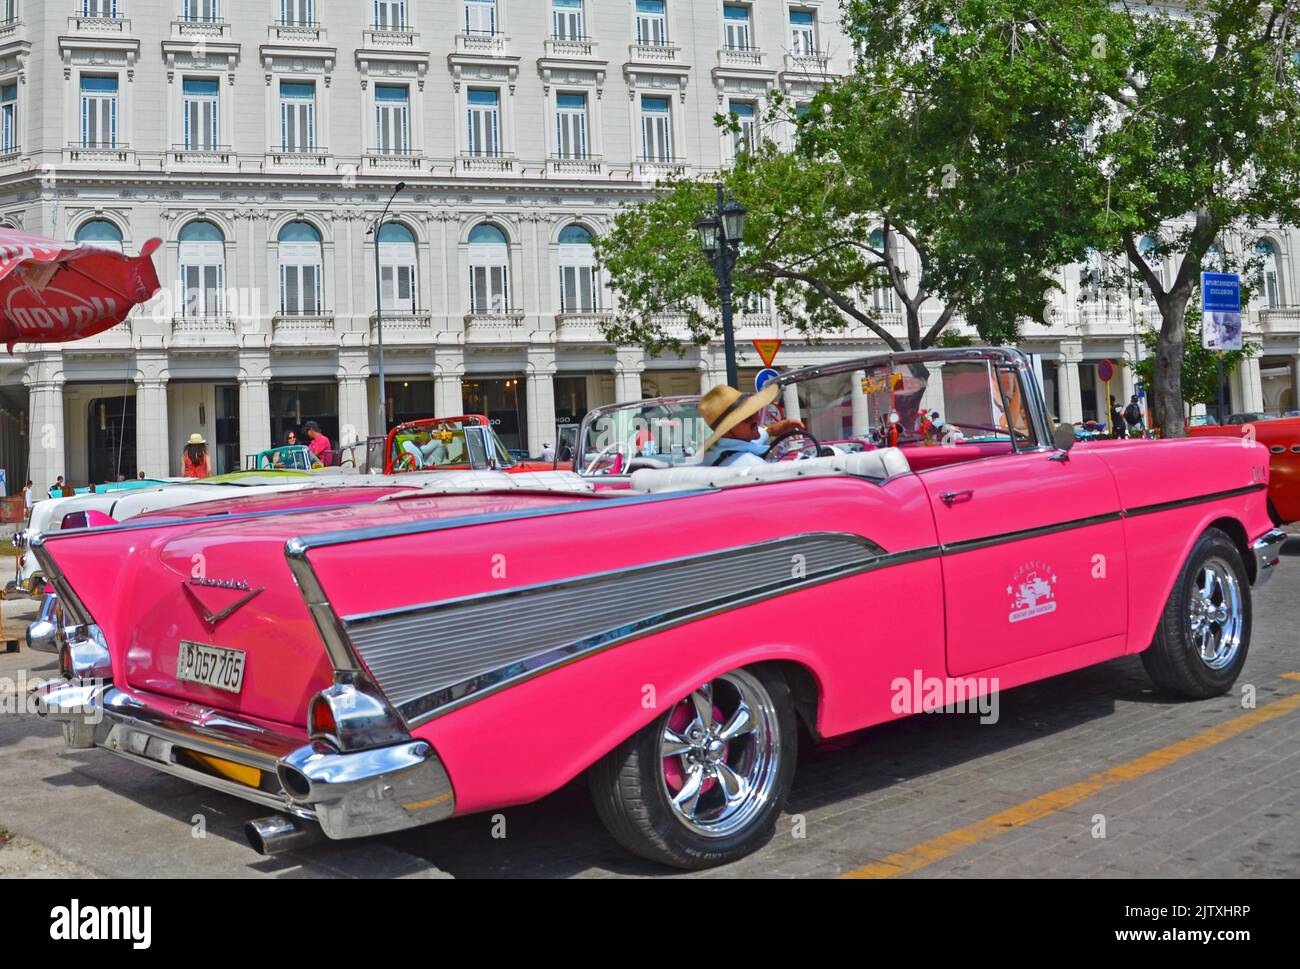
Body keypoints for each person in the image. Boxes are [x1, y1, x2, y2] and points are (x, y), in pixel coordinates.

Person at [697, 383, 806, 468]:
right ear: (726, 430)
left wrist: (770, 429)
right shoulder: (752, 465)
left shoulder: (713, 452)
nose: (757, 419)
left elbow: (745, 442)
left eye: (755, 412)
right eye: (747, 417)